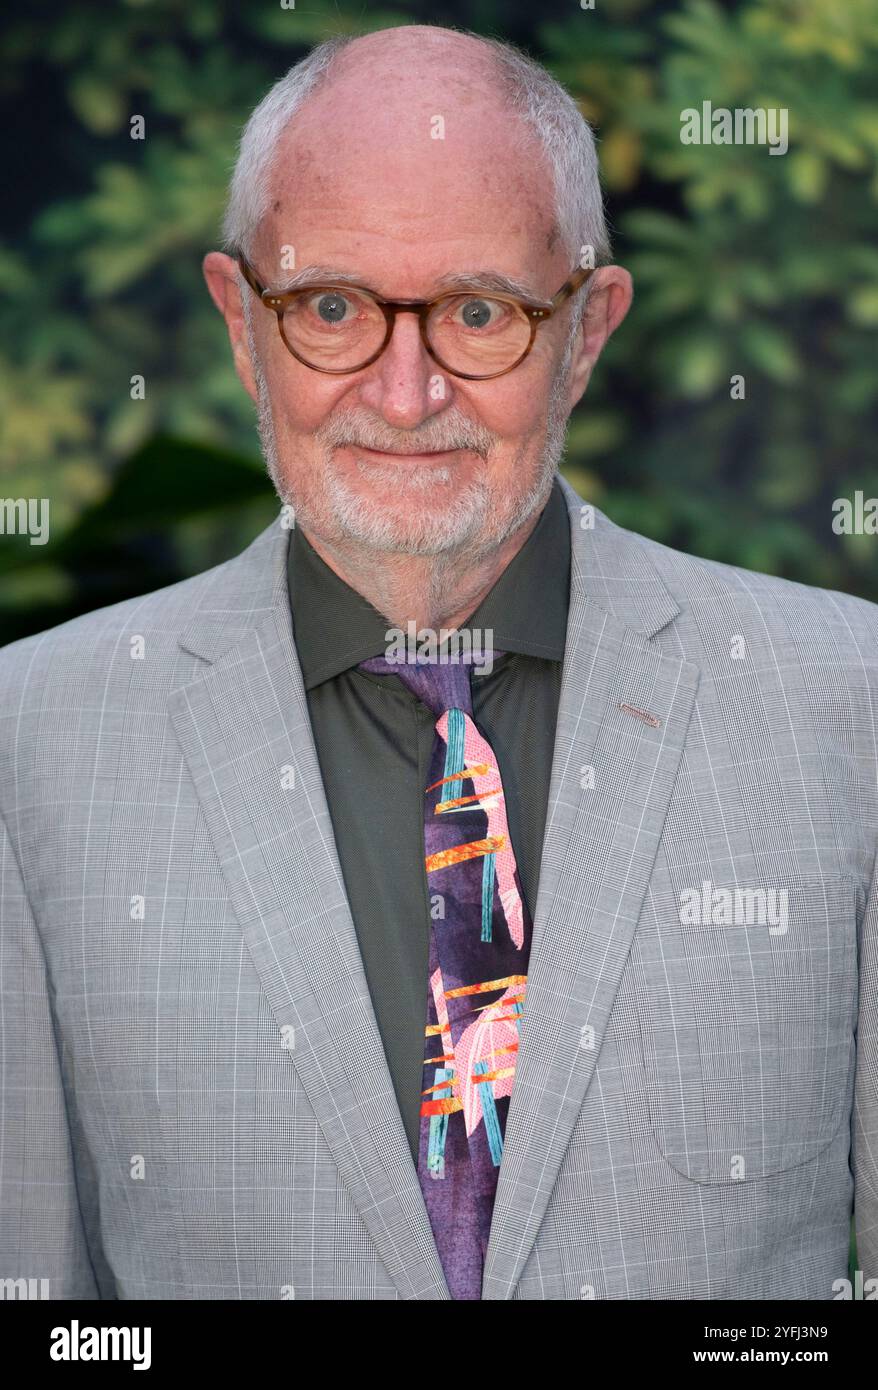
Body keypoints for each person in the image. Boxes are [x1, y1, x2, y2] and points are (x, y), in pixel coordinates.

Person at [1, 23, 875, 1301]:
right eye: (334, 308)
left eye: (478, 312)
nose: (403, 395)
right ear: (242, 325)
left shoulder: (848, 710)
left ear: (585, 330)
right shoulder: (29, 744)